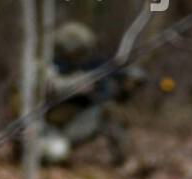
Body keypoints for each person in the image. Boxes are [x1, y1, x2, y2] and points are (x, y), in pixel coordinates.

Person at [41, 21, 146, 167]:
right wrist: (77, 83)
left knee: (109, 110)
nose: (80, 55)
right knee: (54, 153)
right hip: (45, 128)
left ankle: (125, 164)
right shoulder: (45, 64)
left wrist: (124, 85)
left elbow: (106, 97)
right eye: (78, 51)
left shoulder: (87, 66)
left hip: (69, 125)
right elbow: (49, 86)